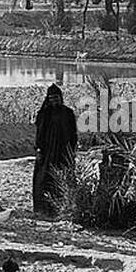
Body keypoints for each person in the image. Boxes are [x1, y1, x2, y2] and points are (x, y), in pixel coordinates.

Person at [32, 84, 77, 214]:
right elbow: (39, 133)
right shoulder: (44, 114)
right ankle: (43, 208)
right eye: (51, 98)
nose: (54, 100)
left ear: (60, 98)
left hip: (63, 151)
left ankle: (61, 206)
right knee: (43, 179)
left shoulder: (68, 113)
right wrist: (39, 150)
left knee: (62, 177)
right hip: (47, 152)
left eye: (56, 98)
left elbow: (73, 134)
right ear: (48, 98)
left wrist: (72, 152)